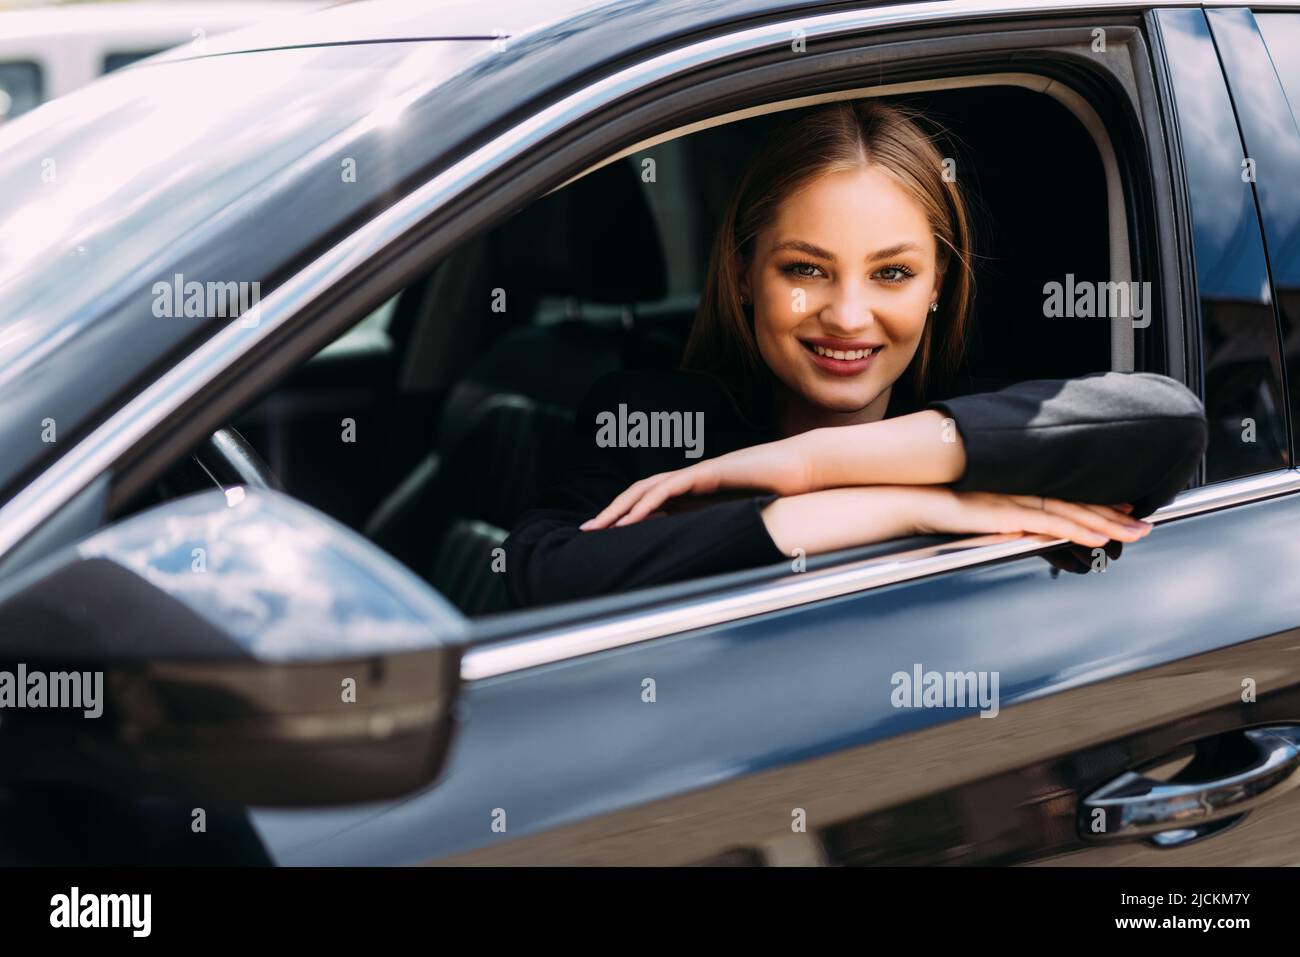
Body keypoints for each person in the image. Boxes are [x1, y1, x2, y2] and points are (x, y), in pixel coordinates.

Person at [504, 100, 1208, 609]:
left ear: (940, 285)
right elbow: (539, 575)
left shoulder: (989, 426)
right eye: (805, 269)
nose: (846, 314)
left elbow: (1170, 421)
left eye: (892, 273)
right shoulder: (651, 422)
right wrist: (892, 507)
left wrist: (806, 465)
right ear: (746, 274)